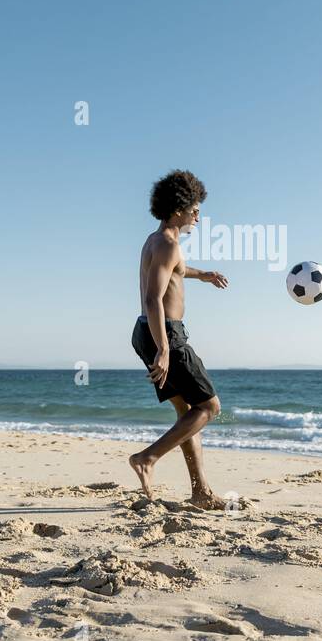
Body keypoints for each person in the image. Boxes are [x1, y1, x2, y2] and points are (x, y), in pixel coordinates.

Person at [129, 169, 228, 507]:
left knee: (187, 411)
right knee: (210, 407)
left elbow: (180, 271)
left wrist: (206, 275)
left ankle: (201, 492)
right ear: (178, 209)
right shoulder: (168, 244)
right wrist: (164, 350)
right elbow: (153, 298)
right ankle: (148, 458)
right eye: (195, 210)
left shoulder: (156, 241)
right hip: (165, 334)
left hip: (146, 331)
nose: (198, 216)